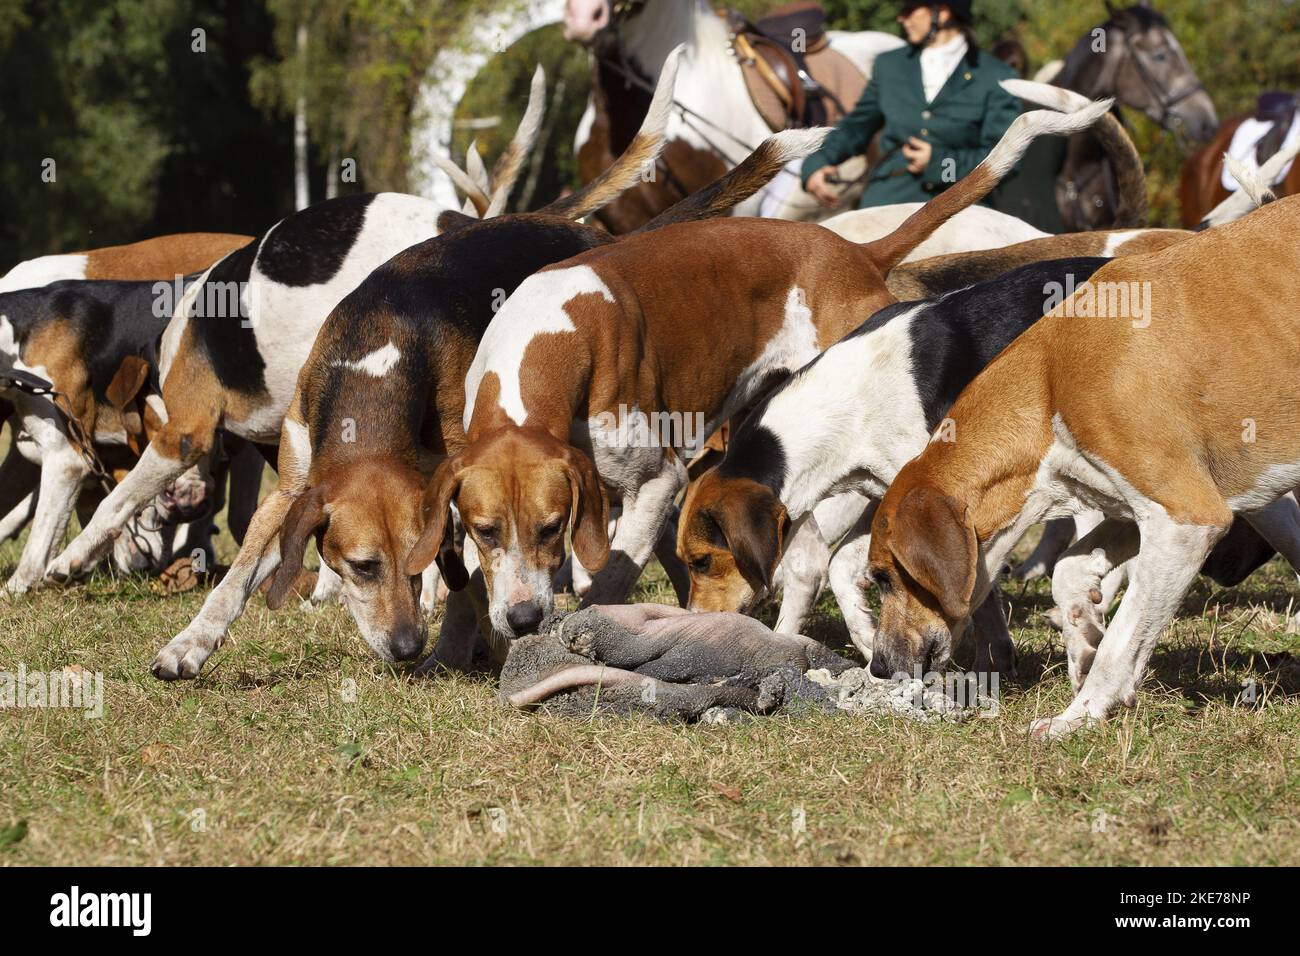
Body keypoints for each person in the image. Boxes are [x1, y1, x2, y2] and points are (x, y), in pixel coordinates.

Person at [802, 1, 1021, 210]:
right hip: (888, 199)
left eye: (910, 10)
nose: (901, 18)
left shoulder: (997, 78)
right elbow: (856, 127)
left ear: (942, 13)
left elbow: (1007, 160)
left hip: (961, 206)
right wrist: (818, 162)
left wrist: (941, 164)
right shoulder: (889, 65)